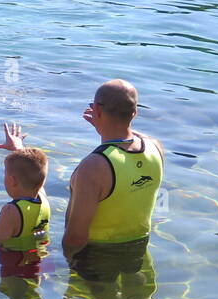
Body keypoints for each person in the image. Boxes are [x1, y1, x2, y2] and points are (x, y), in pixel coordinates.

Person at [63, 80, 164, 258]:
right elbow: (131, 139)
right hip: (139, 253)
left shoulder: (94, 167)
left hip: (97, 260)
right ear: (135, 113)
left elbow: (76, 237)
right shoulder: (155, 147)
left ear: (97, 110)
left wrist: (65, 263)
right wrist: (105, 126)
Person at [0, 121, 51, 252]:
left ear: (12, 180)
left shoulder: (10, 210)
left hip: (14, 262)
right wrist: (18, 147)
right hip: (38, 256)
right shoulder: (43, 198)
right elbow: (36, 174)